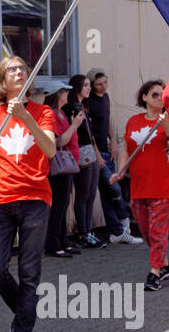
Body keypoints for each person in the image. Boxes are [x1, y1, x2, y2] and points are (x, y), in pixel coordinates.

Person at [0, 56, 56, 332]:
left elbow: (50, 149)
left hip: (35, 199)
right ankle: (25, 312)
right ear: (2, 79)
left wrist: (27, 118)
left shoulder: (43, 112)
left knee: (29, 273)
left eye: (23, 69)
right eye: (12, 69)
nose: (19, 72)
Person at [110, 80, 169, 292]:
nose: (159, 98)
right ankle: (165, 264)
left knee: (158, 232)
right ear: (144, 98)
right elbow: (125, 149)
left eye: (162, 95)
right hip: (140, 187)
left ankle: (154, 273)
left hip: (164, 187)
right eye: (155, 95)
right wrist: (121, 170)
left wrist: (167, 125)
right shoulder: (133, 121)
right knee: (147, 232)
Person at [87, 68, 142, 246]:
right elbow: (89, 131)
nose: (103, 87)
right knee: (114, 188)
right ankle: (124, 221)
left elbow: (108, 119)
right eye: (99, 84)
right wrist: (97, 155)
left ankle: (116, 232)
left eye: (105, 82)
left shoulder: (106, 97)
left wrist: (113, 141)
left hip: (108, 150)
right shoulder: (89, 101)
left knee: (107, 194)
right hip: (97, 153)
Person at [67, 74, 106, 249]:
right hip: (80, 153)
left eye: (89, 85)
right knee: (82, 194)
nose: (89, 88)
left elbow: (91, 135)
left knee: (91, 194)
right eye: (85, 85)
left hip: (91, 151)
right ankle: (82, 233)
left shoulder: (84, 106)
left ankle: (89, 231)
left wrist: (98, 155)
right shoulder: (71, 108)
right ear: (76, 87)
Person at [43, 80, 81, 258]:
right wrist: (74, 126)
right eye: (65, 91)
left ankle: (63, 241)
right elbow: (58, 141)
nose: (68, 94)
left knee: (64, 204)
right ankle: (53, 244)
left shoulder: (60, 113)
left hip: (67, 166)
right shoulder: (50, 114)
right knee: (58, 206)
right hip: (57, 167)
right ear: (57, 94)